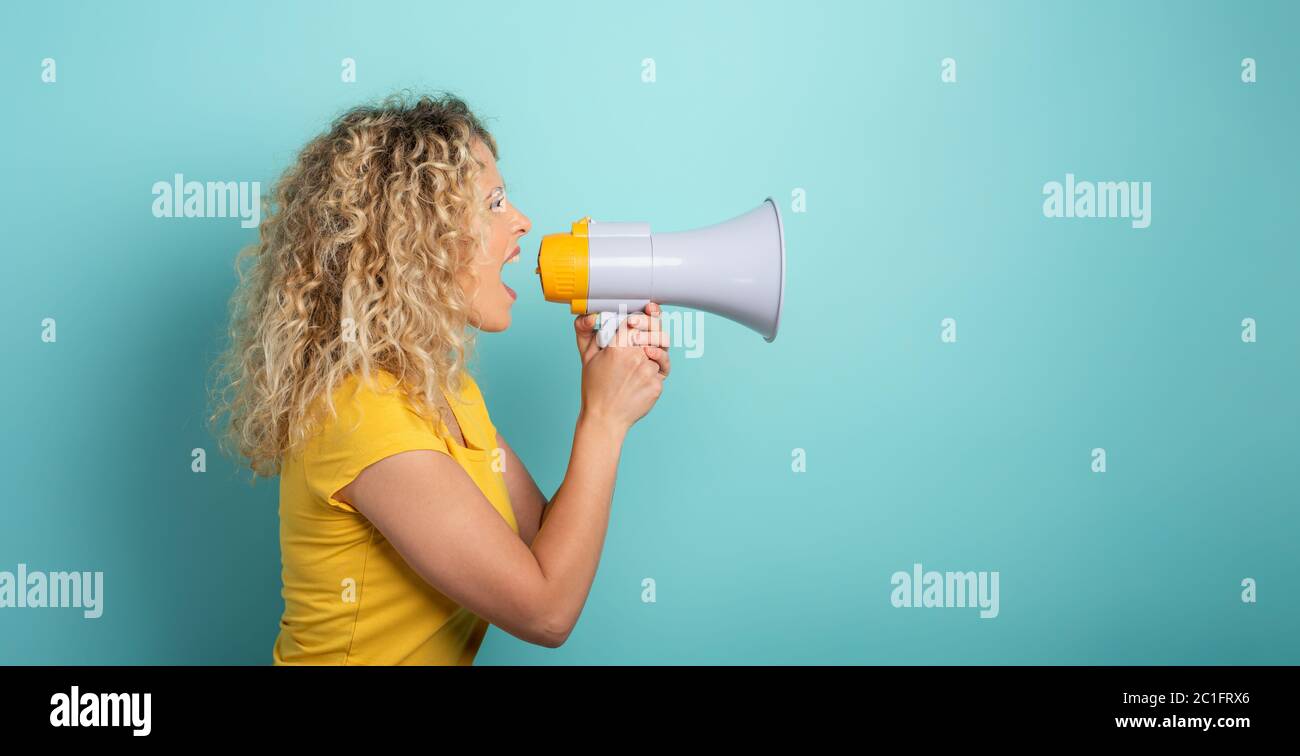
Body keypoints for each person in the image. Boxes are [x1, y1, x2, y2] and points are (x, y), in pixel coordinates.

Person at [211, 93, 671, 665]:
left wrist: (608, 395)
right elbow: (547, 611)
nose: (522, 220)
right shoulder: (362, 414)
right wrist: (602, 420)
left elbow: (546, 546)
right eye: (494, 203)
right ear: (415, 238)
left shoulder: (445, 394)